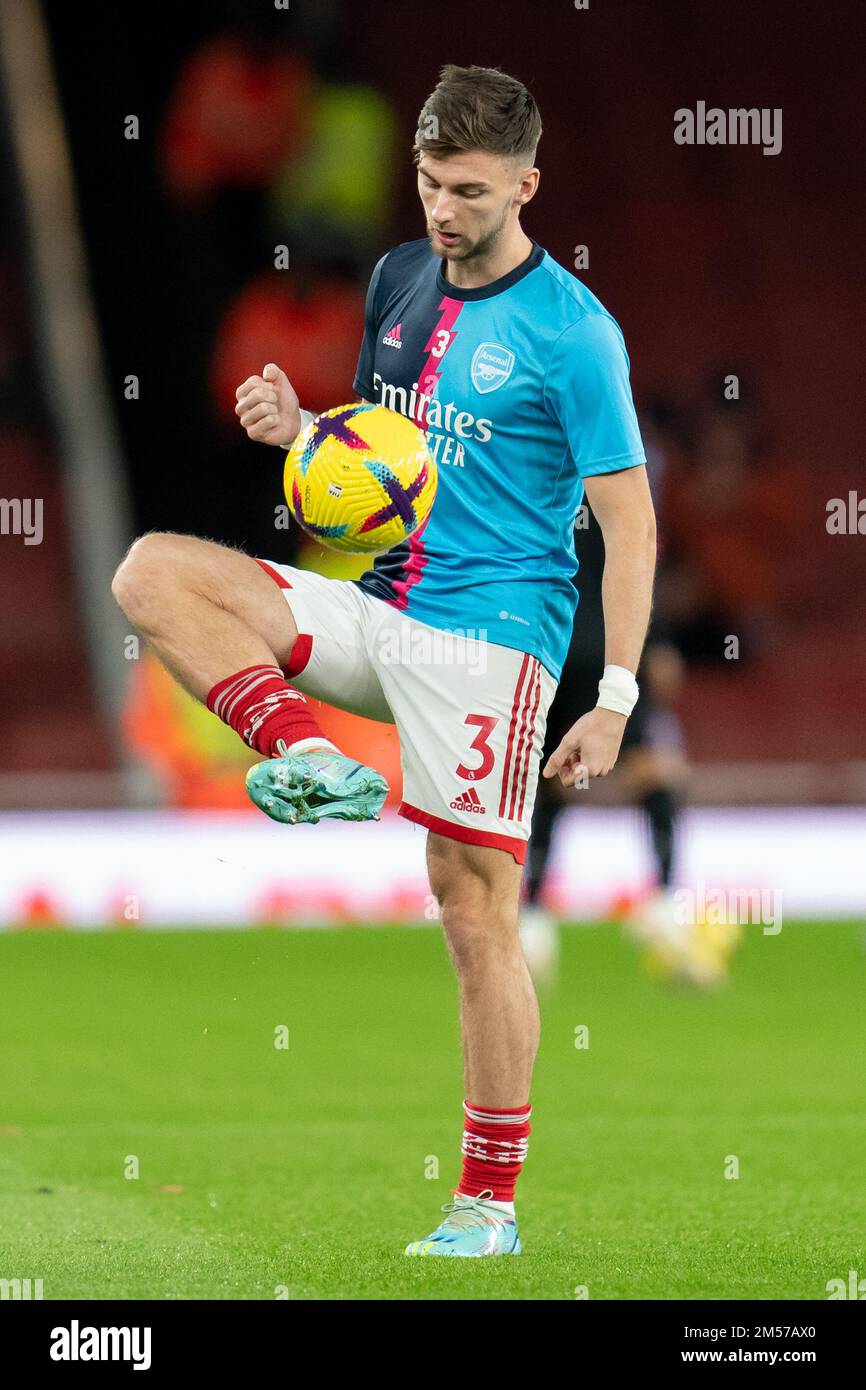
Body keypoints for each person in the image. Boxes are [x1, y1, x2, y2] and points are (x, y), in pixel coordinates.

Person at [112, 64, 656, 1258]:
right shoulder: (397, 279)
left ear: (526, 180)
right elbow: (386, 465)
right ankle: (309, 757)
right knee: (151, 572)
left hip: (492, 642)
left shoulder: (573, 334)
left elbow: (629, 523)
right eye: (426, 183)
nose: (440, 210)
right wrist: (298, 432)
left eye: (467, 189)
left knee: (470, 906)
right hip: (382, 601)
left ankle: (487, 1206)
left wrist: (611, 697)